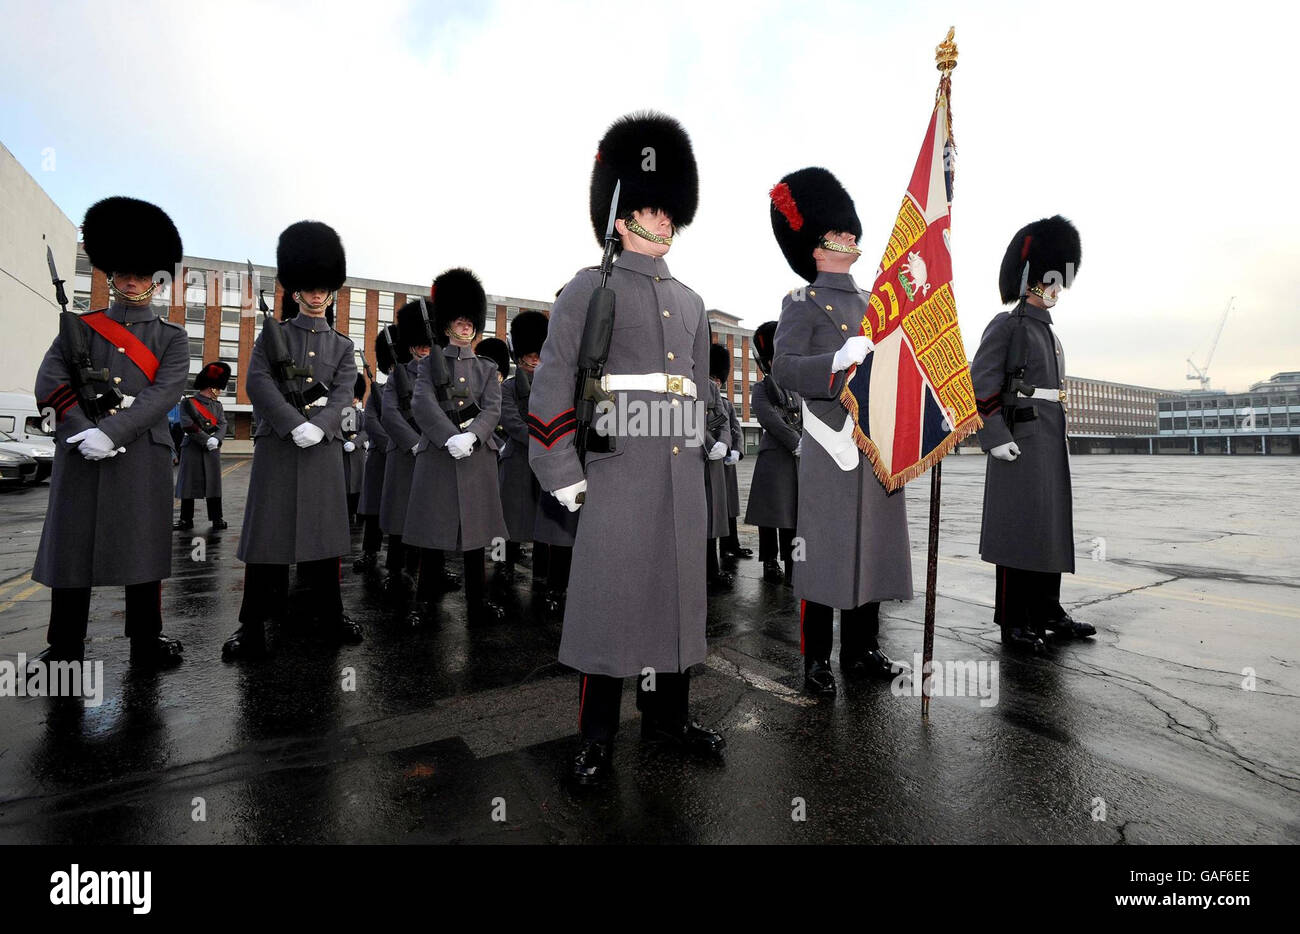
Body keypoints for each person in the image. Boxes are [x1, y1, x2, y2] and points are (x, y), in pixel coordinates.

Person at [528, 111, 725, 785]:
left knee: (675, 601)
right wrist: (559, 467)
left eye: (670, 211)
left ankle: (670, 717)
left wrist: (706, 445)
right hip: (616, 470)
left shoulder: (693, 300)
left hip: (678, 471)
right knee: (609, 605)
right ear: (619, 217)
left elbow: (699, 389)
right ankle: (596, 735)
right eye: (649, 209)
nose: (664, 222)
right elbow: (555, 376)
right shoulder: (590, 286)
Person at [769, 167, 913, 696]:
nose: (850, 239)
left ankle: (862, 648)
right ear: (815, 246)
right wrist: (835, 359)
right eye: (839, 233)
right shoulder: (801, 305)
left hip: (874, 440)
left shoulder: (876, 301)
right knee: (824, 552)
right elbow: (784, 368)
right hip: (832, 442)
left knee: (868, 546)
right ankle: (815, 658)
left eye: (852, 233)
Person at [29, 196, 189, 672]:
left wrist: (113, 433)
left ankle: (146, 640)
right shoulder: (80, 328)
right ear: (111, 275)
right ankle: (64, 647)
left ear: (155, 279)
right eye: (123, 273)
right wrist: (82, 431)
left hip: (140, 454)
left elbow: (164, 394)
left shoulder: (172, 337)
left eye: (141, 273)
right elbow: (50, 383)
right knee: (72, 551)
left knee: (142, 549)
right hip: (81, 451)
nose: (131, 281)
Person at [225, 220, 362, 660]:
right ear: (296, 289)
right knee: (267, 541)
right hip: (279, 448)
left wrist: (319, 426)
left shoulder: (342, 345)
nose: (317, 294)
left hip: (320, 449)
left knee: (325, 538)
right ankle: (252, 625)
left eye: (324, 286)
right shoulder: (273, 334)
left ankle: (330, 613)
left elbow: (344, 391)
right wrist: (291, 423)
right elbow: (257, 382)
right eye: (309, 286)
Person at [971, 215, 1095, 652]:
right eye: (1052, 281)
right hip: (1018, 442)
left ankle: (1047, 609)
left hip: (1047, 441)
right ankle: (1013, 621)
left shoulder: (1048, 334)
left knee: (1048, 529)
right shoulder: (1008, 325)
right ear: (1032, 280)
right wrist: (994, 434)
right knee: (1018, 533)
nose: (1058, 289)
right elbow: (981, 381)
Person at [404, 268, 509, 626]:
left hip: (475, 458)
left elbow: (493, 408)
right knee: (433, 536)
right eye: (459, 321)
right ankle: (424, 601)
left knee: (476, 539)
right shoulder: (427, 366)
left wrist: (473, 436)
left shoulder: (486, 367)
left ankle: (477, 602)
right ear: (447, 324)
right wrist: (449, 436)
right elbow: (422, 404)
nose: (466, 327)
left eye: (470, 322)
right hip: (439, 456)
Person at [379, 300, 441, 597]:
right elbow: (389, 414)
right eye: (419, 346)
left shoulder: (442, 374)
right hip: (405, 452)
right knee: (401, 516)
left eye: (427, 345)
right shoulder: (398, 374)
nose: (424, 350)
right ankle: (396, 570)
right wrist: (414, 443)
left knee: (433, 515)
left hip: (433, 451)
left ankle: (433, 570)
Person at [744, 321, 801, 585]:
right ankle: (769, 562)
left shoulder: (795, 386)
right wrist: (794, 441)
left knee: (790, 516)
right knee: (769, 515)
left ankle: (793, 567)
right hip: (775, 456)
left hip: (794, 458)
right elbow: (769, 419)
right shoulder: (761, 388)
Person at [498, 311, 549, 587]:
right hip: (518, 457)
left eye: (537, 353)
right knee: (511, 520)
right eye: (529, 354)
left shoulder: (550, 386)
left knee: (543, 520)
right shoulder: (508, 387)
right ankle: (504, 564)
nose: (534, 358)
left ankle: (542, 571)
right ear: (519, 355)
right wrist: (541, 438)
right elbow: (510, 421)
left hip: (542, 459)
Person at [353, 324, 403, 572]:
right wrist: (392, 444)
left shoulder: (411, 392)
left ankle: (402, 558)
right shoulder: (377, 391)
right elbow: (371, 423)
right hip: (381, 458)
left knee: (400, 509)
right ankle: (369, 553)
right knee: (373, 512)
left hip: (403, 458)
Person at [174, 361, 229, 531]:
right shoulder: (188, 403)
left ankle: (217, 518)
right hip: (192, 447)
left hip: (212, 449)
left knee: (213, 484)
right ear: (212, 387)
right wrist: (206, 439)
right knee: (188, 485)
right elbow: (187, 425)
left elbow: (223, 424)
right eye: (217, 388)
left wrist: (217, 439)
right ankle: (185, 519)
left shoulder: (217, 405)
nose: (219, 391)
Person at [704, 342, 734, 586]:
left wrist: (723, 442)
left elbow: (722, 420)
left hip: (712, 462)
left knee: (712, 520)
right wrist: (709, 442)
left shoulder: (711, 391)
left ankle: (712, 571)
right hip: (695, 459)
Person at [718, 355, 751, 560]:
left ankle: (732, 545)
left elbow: (735, 429)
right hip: (708, 462)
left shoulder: (726, 403)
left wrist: (737, 450)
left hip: (726, 463)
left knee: (730, 508)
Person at [342, 373, 366, 526]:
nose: (354, 399)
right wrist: (345, 442)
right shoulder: (342, 413)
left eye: (356, 396)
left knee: (358, 487)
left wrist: (356, 442)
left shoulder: (361, 415)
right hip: (343, 456)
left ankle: (358, 515)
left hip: (358, 455)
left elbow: (367, 430)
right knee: (344, 488)